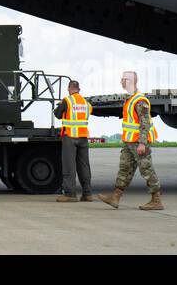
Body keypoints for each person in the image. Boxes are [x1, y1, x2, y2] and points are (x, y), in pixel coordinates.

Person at [98, 71, 163, 210]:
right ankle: (115, 197)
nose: (121, 81)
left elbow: (144, 123)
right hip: (129, 142)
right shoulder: (130, 99)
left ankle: (156, 200)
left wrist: (142, 143)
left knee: (146, 169)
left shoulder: (139, 100)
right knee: (125, 168)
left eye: (123, 79)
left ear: (131, 81)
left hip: (138, 142)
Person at [54, 79, 93, 202]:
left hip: (70, 137)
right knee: (84, 166)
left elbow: (58, 114)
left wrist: (60, 106)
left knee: (69, 166)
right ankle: (87, 194)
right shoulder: (86, 103)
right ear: (79, 89)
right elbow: (88, 113)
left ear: (69, 89)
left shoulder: (67, 101)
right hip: (83, 138)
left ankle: (70, 194)